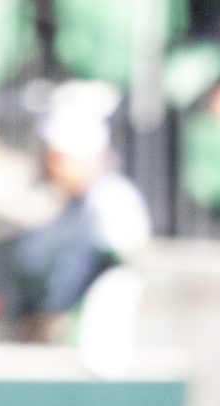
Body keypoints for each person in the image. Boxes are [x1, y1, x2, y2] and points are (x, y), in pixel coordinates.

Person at [13, 95, 152, 371]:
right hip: (64, 358)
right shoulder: (67, 209)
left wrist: (62, 320)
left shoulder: (114, 202)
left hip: (96, 361)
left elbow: (120, 273)